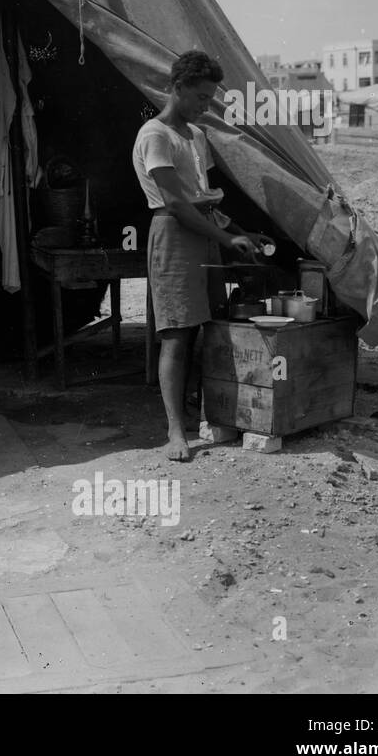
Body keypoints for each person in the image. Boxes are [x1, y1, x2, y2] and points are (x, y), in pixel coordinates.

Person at [132, 51, 273, 462]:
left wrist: (239, 233)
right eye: (199, 97)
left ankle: (212, 415)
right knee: (177, 335)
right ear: (176, 88)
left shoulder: (196, 136)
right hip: (175, 236)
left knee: (211, 326)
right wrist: (227, 242)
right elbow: (177, 203)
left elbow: (204, 199)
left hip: (205, 233)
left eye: (210, 99)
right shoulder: (154, 135)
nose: (205, 106)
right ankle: (176, 431)